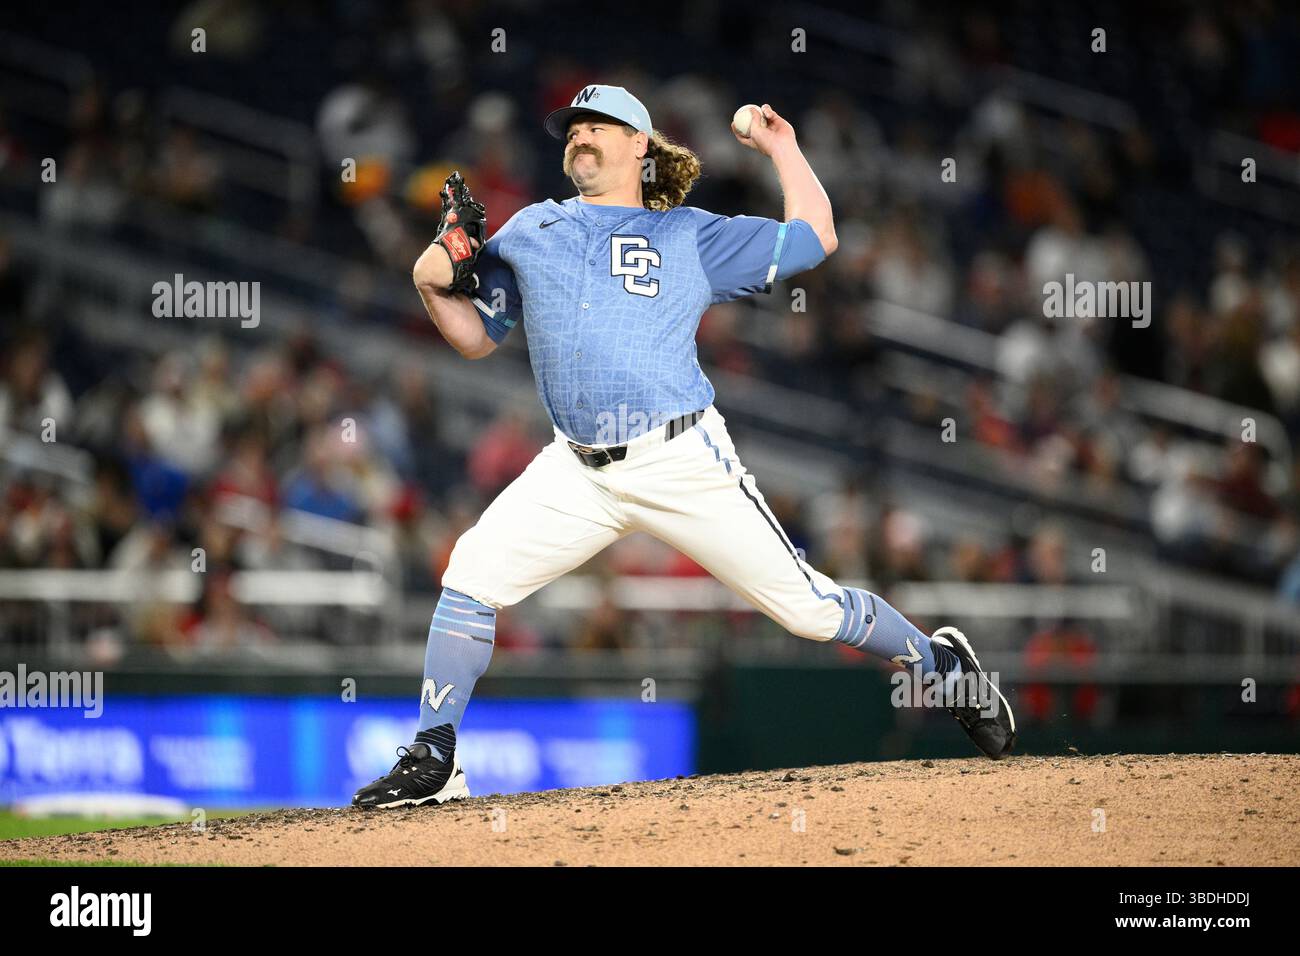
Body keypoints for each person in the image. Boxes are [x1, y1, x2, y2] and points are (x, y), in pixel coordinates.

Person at [354, 85, 1015, 809]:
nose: (579, 135)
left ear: (640, 144)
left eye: (597, 125)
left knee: (807, 611)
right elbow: (479, 339)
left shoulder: (689, 235)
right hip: (577, 467)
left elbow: (816, 236)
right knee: (471, 573)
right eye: (573, 127)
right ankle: (437, 755)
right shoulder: (529, 230)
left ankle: (941, 663)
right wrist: (431, 281)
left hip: (680, 458)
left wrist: (784, 149)